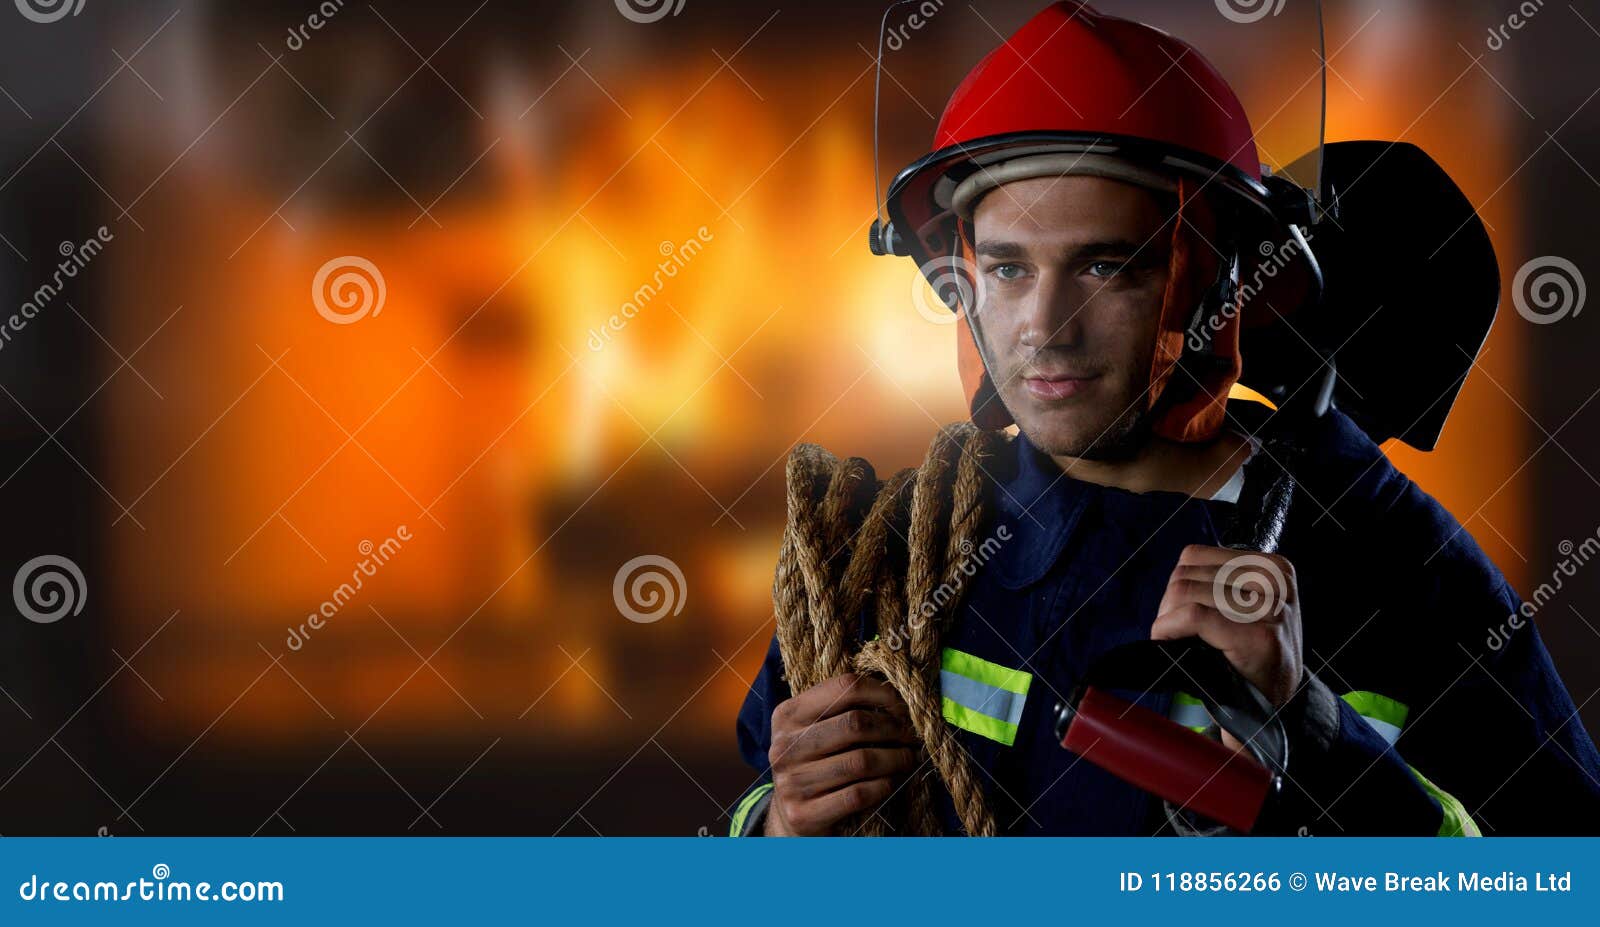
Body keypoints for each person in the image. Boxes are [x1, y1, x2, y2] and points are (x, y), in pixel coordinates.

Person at [729, 1, 1600, 836]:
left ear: (1221, 280)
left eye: (1109, 266)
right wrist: (778, 830)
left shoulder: (1400, 570)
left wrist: (1320, 735)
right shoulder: (879, 562)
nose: (1046, 328)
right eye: (1007, 270)